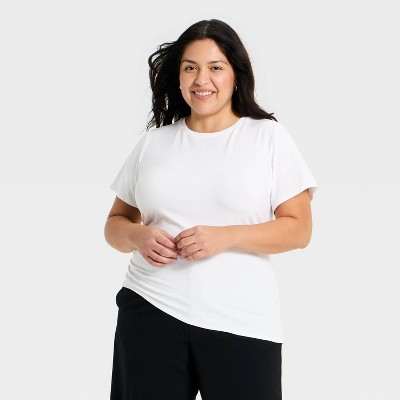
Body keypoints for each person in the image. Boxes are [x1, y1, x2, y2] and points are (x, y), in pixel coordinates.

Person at [104, 19, 318, 400]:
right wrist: (138, 236)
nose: (202, 79)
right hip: (150, 308)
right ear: (179, 77)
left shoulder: (267, 137)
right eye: (191, 68)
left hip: (241, 320)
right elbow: (114, 224)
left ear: (236, 75)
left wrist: (226, 237)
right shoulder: (153, 144)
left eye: (215, 67)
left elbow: (299, 229)